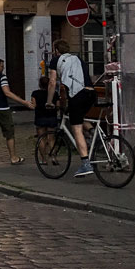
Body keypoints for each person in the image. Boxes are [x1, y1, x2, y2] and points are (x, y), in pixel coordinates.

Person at [46, 39, 96, 177]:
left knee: (76, 129)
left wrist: (49, 101)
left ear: (56, 50)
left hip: (77, 95)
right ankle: (92, 133)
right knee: (78, 116)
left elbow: (52, 82)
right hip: (91, 93)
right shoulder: (77, 58)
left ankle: (85, 164)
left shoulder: (56, 60)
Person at [0, 58, 34, 168]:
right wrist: (24, 102)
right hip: (2, 108)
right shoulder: (2, 77)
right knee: (9, 133)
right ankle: (13, 157)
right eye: (2, 67)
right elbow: (7, 93)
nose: (3, 69)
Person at [33, 75, 60, 164]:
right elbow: (58, 105)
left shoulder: (35, 93)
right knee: (51, 138)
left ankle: (44, 159)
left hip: (40, 117)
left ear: (40, 84)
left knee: (42, 138)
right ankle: (54, 158)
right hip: (52, 117)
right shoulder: (55, 94)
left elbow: (34, 105)